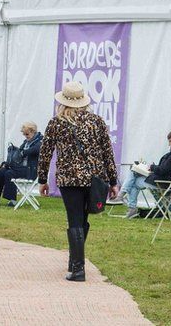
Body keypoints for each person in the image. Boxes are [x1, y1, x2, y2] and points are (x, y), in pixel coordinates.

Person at [37, 81, 119, 282]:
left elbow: (45, 153)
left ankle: (77, 267)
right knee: (83, 220)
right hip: (94, 177)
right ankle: (76, 262)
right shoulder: (97, 121)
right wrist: (113, 180)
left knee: (74, 219)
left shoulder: (56, 123)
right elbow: (107, 152)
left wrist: (42, 179)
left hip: (69, 178)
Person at [118, 129, 171, 218]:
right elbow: (167, 169)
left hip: (161, 183)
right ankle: (123, 197)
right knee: (134, 173)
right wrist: (154, 168)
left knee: (134, 180)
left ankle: (124, 200)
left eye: (170, 141)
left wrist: (152, 167)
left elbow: (162, 170)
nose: (169, 144)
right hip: (168, 183)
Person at [0, 122, 42, 206]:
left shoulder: (40, 140)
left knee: (10, 173)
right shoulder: (26, 142)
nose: (26, 136)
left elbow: (35, 150)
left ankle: (12, 200)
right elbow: (20, 152)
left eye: (27, 134)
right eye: (24, 134)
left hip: (31, 170)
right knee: (0, 172)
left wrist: (23, 152)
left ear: (33, 131)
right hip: (21, 168)